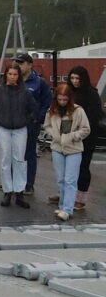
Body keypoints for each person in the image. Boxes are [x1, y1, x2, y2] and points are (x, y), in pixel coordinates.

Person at [0, 61, 36, 208]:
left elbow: (33, 109)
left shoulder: (25, 92)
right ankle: (8, 191)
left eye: (15, 74)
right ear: (6, 75)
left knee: (19, 159)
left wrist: (27, 120)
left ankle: (19, 191)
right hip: (3, 128)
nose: (12, 77)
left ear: (18, 76)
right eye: (10, 74)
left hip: (20, 128)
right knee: (5, 158)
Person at [44, 83, 91, 221]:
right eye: (60, 99)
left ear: (69, 98)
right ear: (56, 99)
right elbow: (46, 125)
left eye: (65, 99)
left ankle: (67, 209)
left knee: (70, 180)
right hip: (57, 148)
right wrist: (53, 134)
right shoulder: (51, 110)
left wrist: (73, 136)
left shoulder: (78, 111)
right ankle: (63, 205)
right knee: (61, 179)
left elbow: (86, 129)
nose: (62, 102)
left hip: (74, 149)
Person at [16, 52, 52, 195]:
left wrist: (38, 117)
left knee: (29, 153)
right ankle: (13, 181)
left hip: (31, 123)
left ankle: (29, 183)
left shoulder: (39, 82)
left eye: (21, 63)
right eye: (17, 63)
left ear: (30, 65)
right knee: (15, 153)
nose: (19, 66)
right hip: (15, 123)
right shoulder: (13, 79)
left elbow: (47, 101)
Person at [67, 65, 102, 211]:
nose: (75, 81)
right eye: (73, 78)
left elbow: (94, 117)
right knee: (68, 167)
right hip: (70, 135)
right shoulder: (69, 92)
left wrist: (81, 132)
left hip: (86, 137)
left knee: (83, 167)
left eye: (78, 78)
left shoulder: (91, 94)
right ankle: (68, 194)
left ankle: (81, 197)